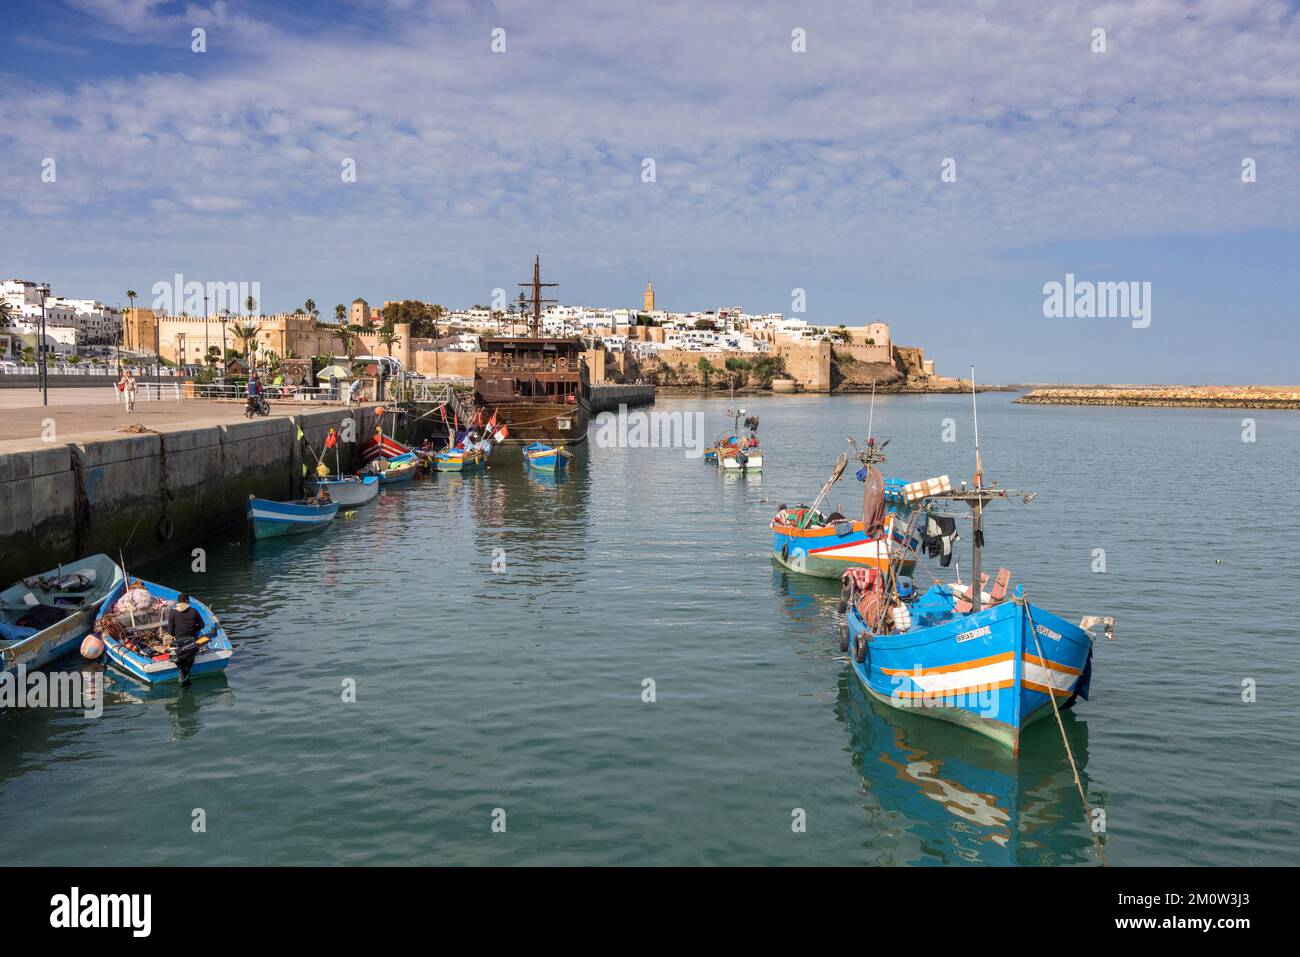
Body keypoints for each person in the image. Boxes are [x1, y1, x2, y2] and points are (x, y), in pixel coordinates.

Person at [165, 593, 205, 689]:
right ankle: (186, 675)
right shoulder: (194, 611)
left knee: (180, 660)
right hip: (191, 641)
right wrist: (194, 629)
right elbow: (202, 625)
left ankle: (184, 675)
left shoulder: (173, 613)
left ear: (178, 602)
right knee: (189, 658)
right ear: (187, 601)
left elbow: (170, 631)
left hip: (178, 643)